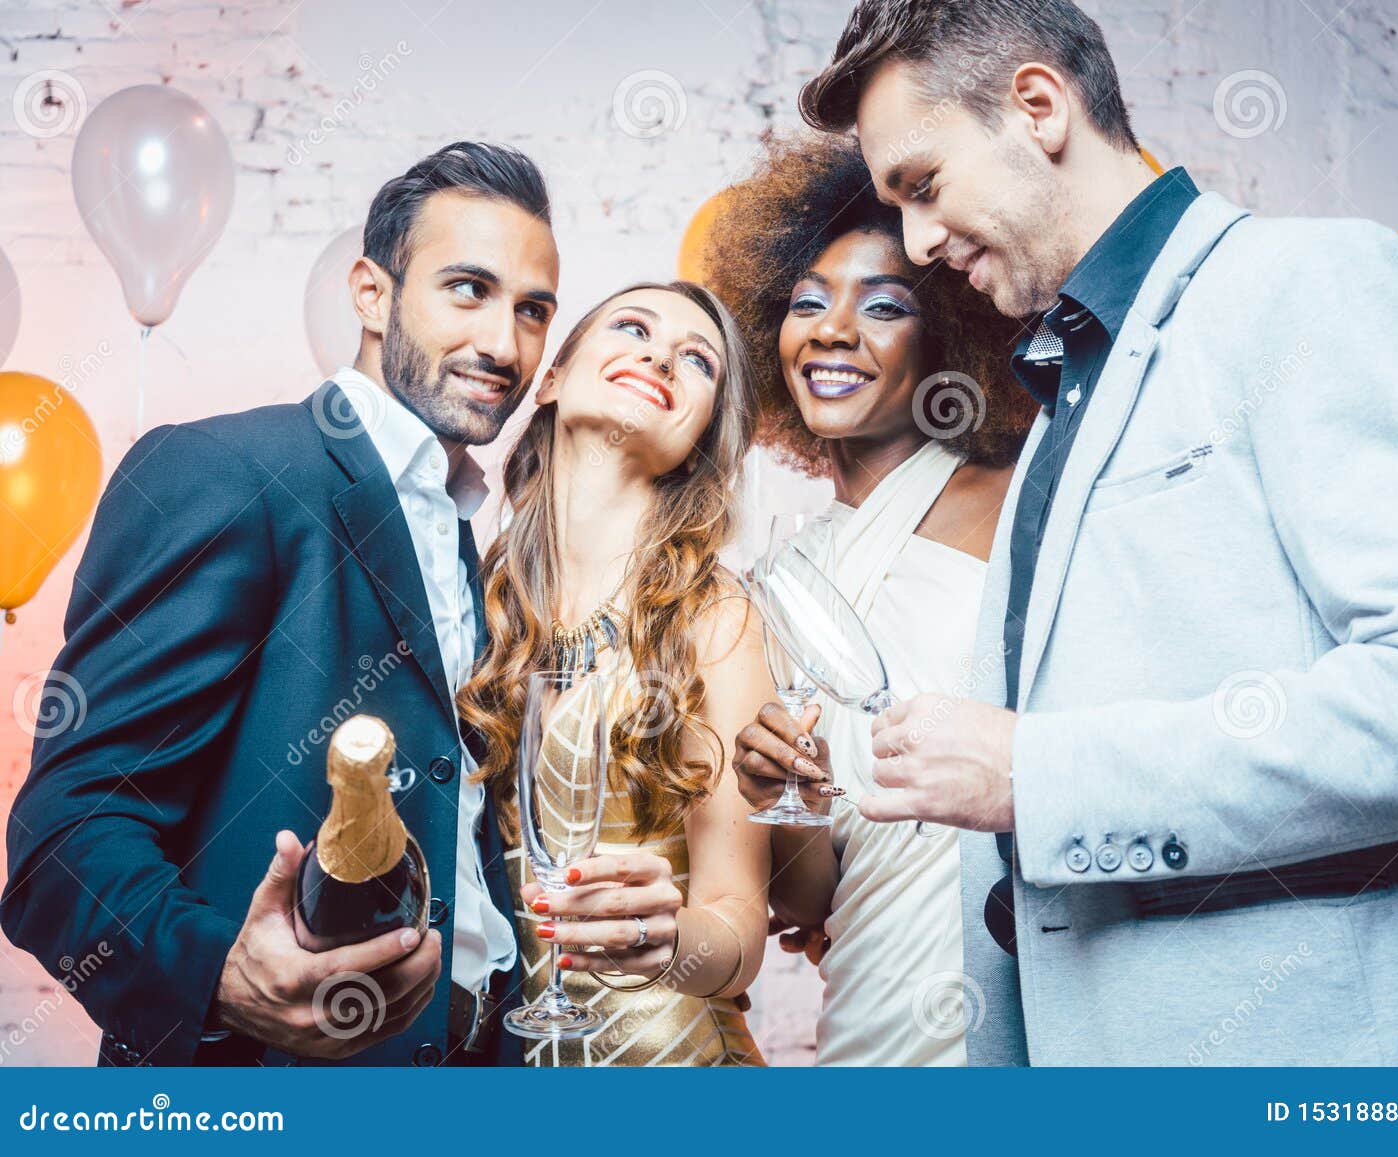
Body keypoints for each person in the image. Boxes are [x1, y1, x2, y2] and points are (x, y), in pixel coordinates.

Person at [800, 0, 1398, 1065]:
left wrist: (1037, 771)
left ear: (1038, 107)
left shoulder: (1311, 286)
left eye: (923, 187)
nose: (920, 243)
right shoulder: (1059, 403)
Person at [0, 142, 560, 1066]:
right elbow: (64, 828)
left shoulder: (469, 539)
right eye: (468, 289)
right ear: (371, 294)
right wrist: (219, 972)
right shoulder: (230, 471)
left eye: (532, 309)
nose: (505, 343)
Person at [703, 134, 1033, 1066]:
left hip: (1022, 983)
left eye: (883, 306)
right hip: (869, 1013)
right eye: (806, 302)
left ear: (948, 332)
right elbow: (809, 903)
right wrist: (787, 801)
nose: (832, 330)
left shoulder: (1015, 499)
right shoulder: (767, 586)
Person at [457, 280, 774, 1066]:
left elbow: (740, 924)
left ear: (701, 433)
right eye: (632, 325)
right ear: (553, 378)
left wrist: (667, 941)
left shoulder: (717, 615)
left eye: (697, 360)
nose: (660, 352)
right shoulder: (465, 597)